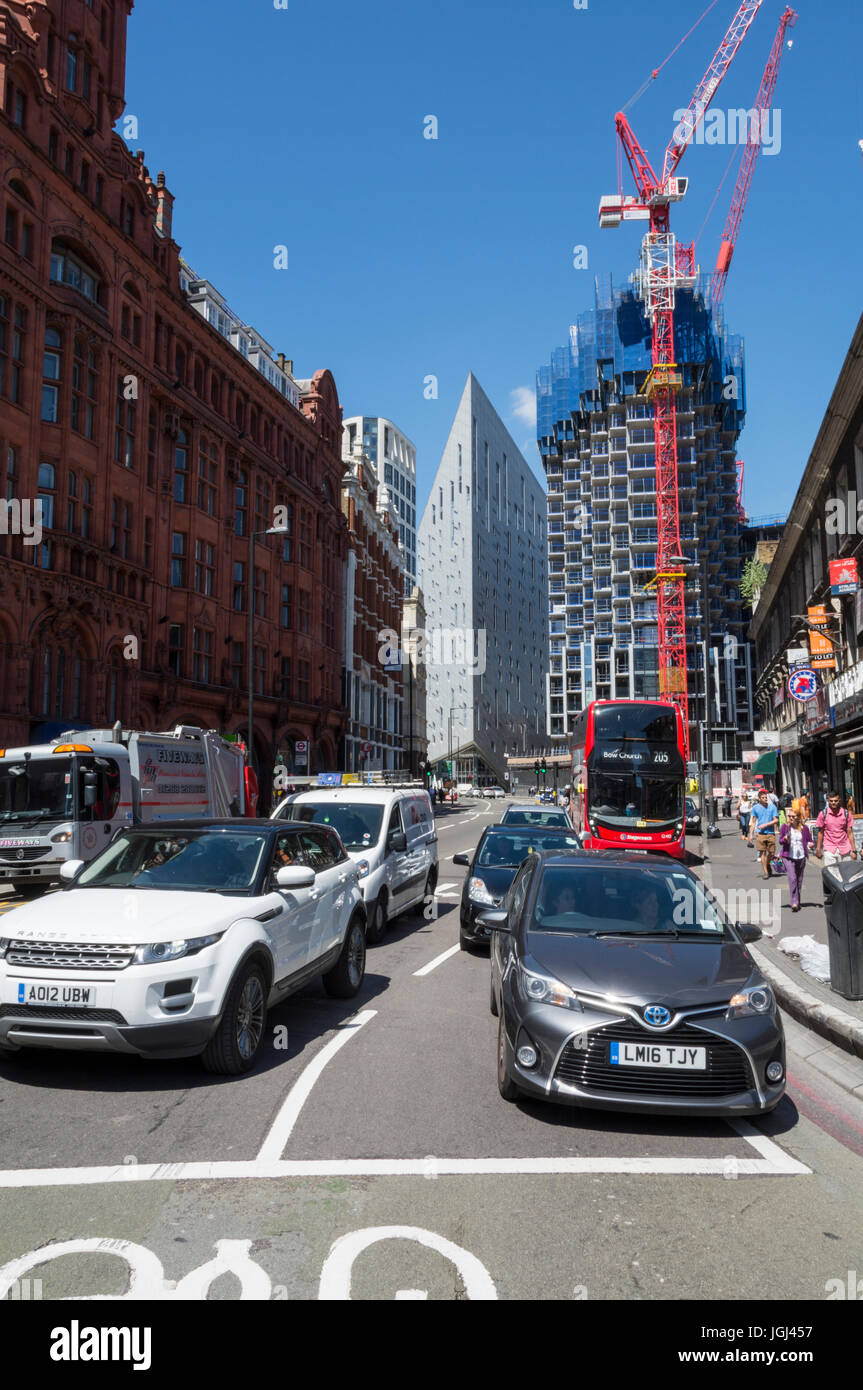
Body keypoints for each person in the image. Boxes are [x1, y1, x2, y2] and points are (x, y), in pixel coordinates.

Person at [778, 809, 812, 913]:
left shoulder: (804, 828)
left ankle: (797, 900)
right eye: (789, 816)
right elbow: (780, 841)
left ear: (798, 817)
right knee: (792, 878)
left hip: (801, 856)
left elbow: (809, 840)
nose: (791, 818)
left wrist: (811, 844)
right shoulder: (785, 827)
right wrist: (785, 839)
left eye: (793, 816)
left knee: (799, 879)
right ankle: (794, 901)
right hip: (788, 856)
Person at [815, 791, 858, 867]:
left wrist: (854, 850)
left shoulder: (846, 814)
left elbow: (850, 833)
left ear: (839, 800)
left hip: (845, 848)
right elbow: (820, 832)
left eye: (835, 801)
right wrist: (818, 849)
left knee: (846, 874)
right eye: (831, 801)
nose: (833, 803)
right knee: (831, 874)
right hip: (829, 848)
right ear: (828, 801)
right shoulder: (823, 814)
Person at [748, 788, 779, 880]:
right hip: (760, 834)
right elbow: (753, 822)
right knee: (763, 853)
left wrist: (766, 824)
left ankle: (768, 863)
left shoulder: (772, 807)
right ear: (759, 799)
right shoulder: (755, 808)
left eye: (766, 797)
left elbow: (776, 820)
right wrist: (750, 835)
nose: (765, 799)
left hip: (770, 833)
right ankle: (766, 872)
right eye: (763, 797)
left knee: (772, 853)